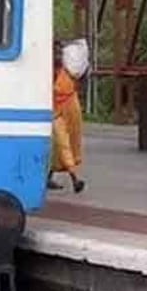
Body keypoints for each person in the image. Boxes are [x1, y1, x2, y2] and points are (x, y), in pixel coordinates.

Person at [48, 42, 86, 193]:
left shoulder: (67, 72)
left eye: (59, 53)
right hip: (55, 112)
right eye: (55, 53)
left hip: (69, 110)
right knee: (62, 143)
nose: (57, 56)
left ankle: (48, 177)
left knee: (61, 145)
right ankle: (74, 177)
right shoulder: (48, 73)